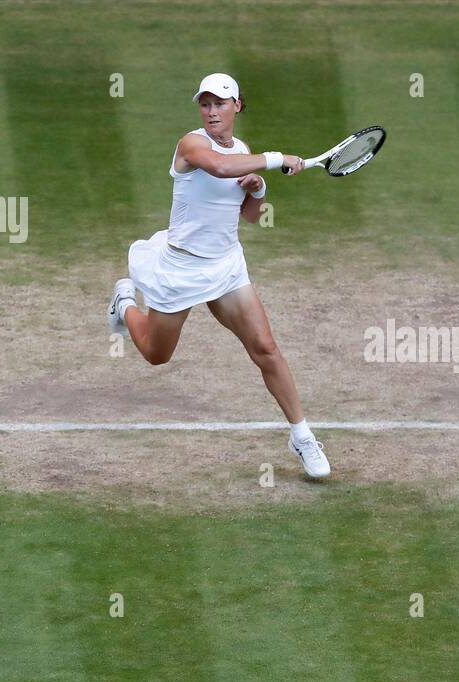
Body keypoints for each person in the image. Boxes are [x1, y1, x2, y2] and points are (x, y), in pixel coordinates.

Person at [107, 72, 329, 478]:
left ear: (237, 106)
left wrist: (259, 188)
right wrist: (277, 159)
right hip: (182, 268)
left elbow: (249, 216)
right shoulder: (191, 145)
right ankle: (125, 304)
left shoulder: (242, 151)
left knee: (265, 348)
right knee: (157, 355)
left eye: (220, 103)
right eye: (205, 103)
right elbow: (220, 168)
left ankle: (301, 436)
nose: (211, 111)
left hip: (226, 267)